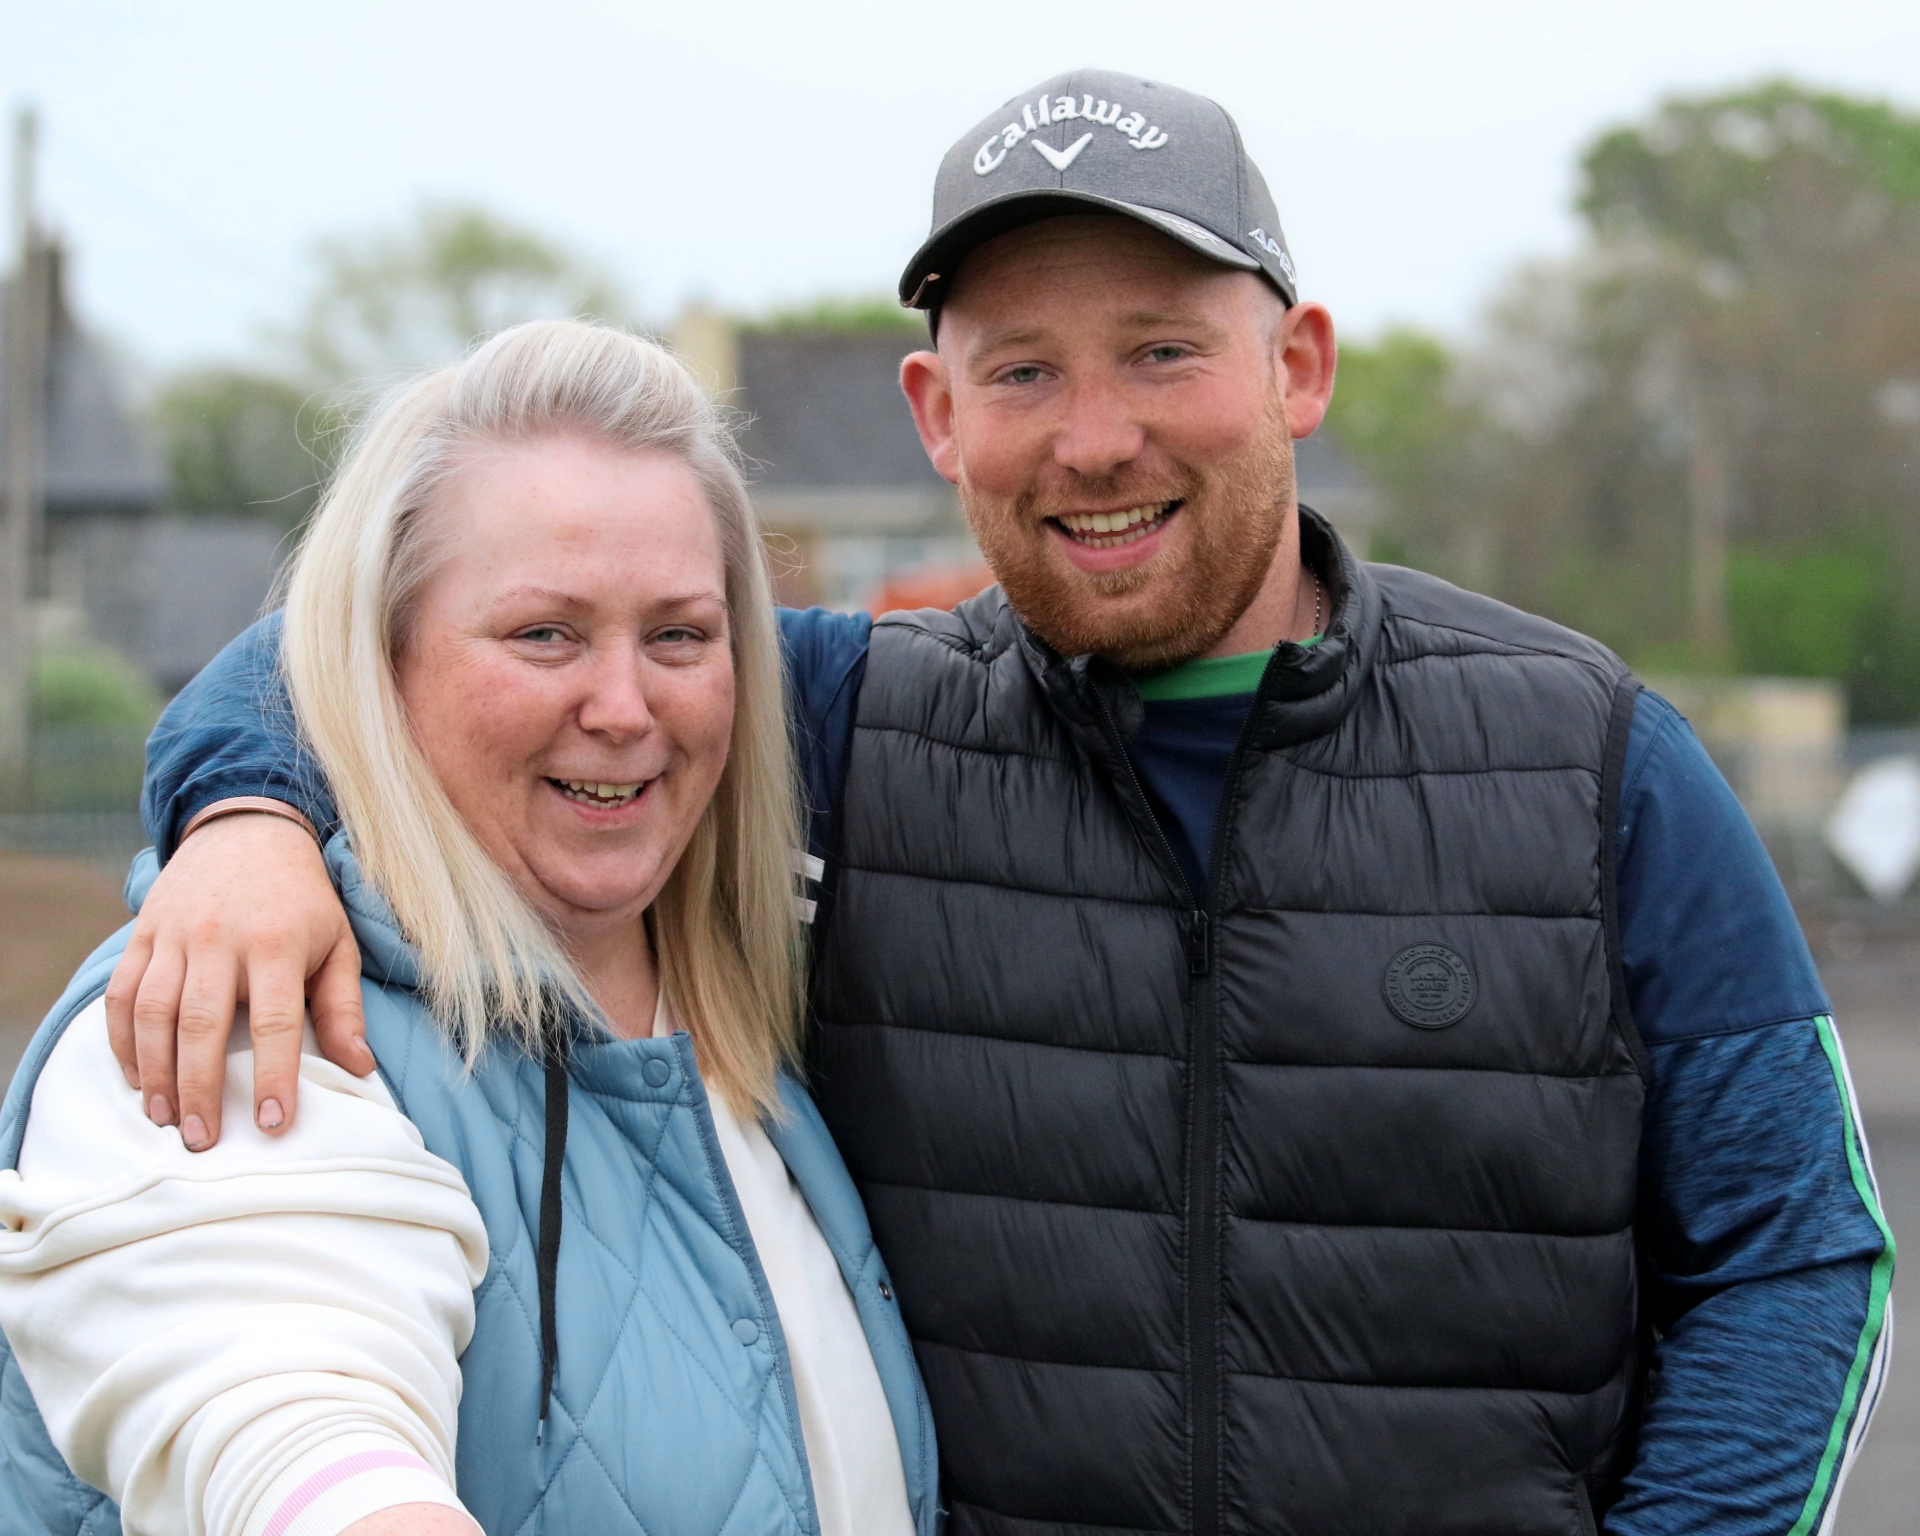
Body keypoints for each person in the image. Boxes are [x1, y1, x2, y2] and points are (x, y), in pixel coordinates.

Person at [96, 69, 1890, 1535]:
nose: (1093, 436)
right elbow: (415, 648)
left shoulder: (1592, 763)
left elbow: (1794, 1251)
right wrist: (244, 817)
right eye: (1022, 368)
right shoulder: (842, 719)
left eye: (1163, 350)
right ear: (935, 416)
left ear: (1300, 367)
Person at [0, 322, 937, 1536]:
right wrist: (241, 807)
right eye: (542, 633)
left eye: (679, 636)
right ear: (373, 660)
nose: (622, 705)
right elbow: (283, 1414)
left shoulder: (743, 1026)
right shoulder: (235, 1008)